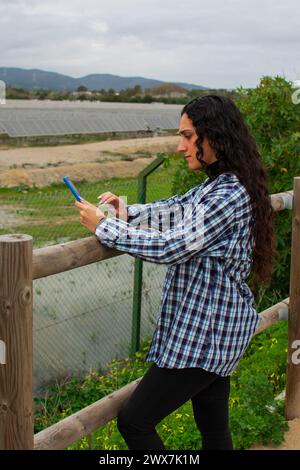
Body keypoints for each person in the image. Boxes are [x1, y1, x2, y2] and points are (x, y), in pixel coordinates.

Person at [75, 95, 276, 450]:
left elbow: (174, 245)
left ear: (213, 135)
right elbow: (176, 209)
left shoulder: (227, 195)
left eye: (187, 136)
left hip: (206, 335)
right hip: (216, 330)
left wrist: (104, 227)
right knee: (214, 430)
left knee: (135, 421)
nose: (180, 146)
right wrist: (127, 210)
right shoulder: (220, 185)